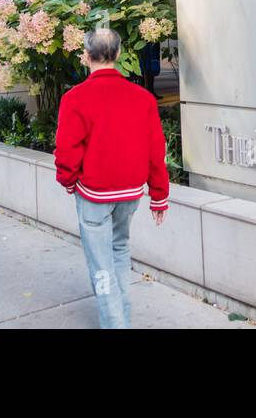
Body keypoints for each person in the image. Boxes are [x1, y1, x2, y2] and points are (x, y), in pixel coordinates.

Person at [54, 28, 169, 329]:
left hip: (94, 192)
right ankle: (121, 316)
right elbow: (156, 149)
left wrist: (68, 181)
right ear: (118, 54)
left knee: (101, 261)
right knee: (119, 249)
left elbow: (67, 150)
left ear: (86, 56)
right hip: (131, 191)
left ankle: (116, 323)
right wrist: (159, 196)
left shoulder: (74, 98)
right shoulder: (142, 97)